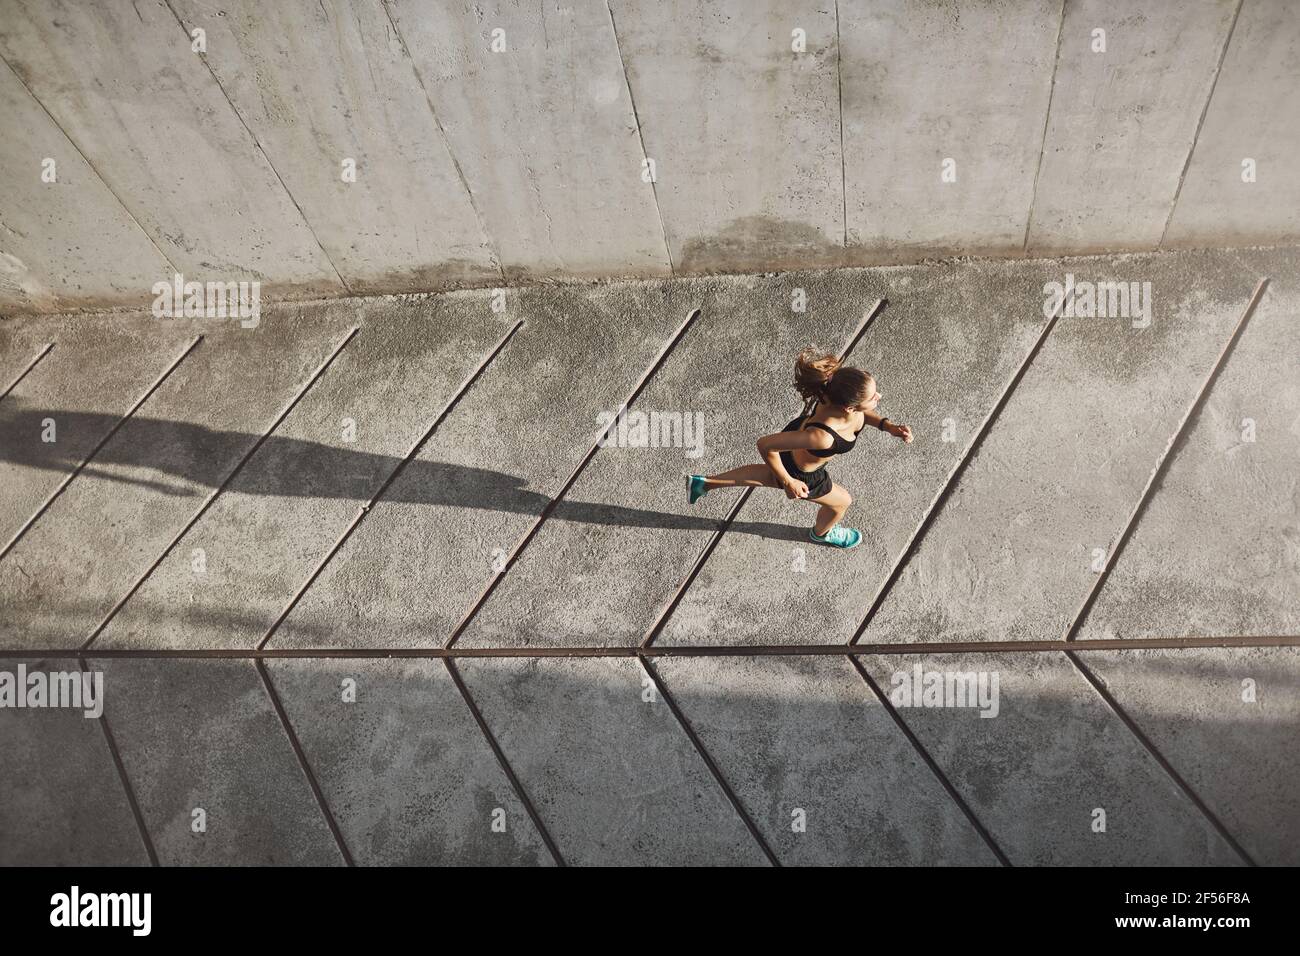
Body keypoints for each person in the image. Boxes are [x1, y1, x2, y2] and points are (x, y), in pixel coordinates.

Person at [687, 348, 913, 549]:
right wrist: (789, 482)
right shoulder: (822, 437)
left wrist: (887, 426)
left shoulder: (831, 392)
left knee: (764, 475)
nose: (878, 397)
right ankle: (821, 534)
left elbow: (863, 414)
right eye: (873, 397)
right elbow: (765, 445)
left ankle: (703, 484)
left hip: (797, 440)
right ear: (848, 407)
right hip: (803, 472)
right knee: (842, 502)